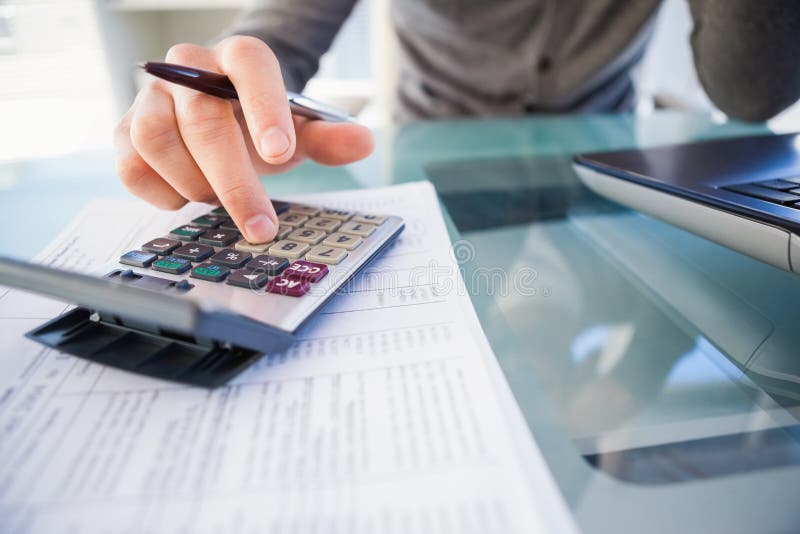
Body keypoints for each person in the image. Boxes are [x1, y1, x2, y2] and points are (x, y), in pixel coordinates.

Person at [114, 0, 800, 244]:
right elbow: (280, 35)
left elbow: (750, 93)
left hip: (605, 180)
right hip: (425, 170)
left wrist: (629, 388)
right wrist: (227, 80)